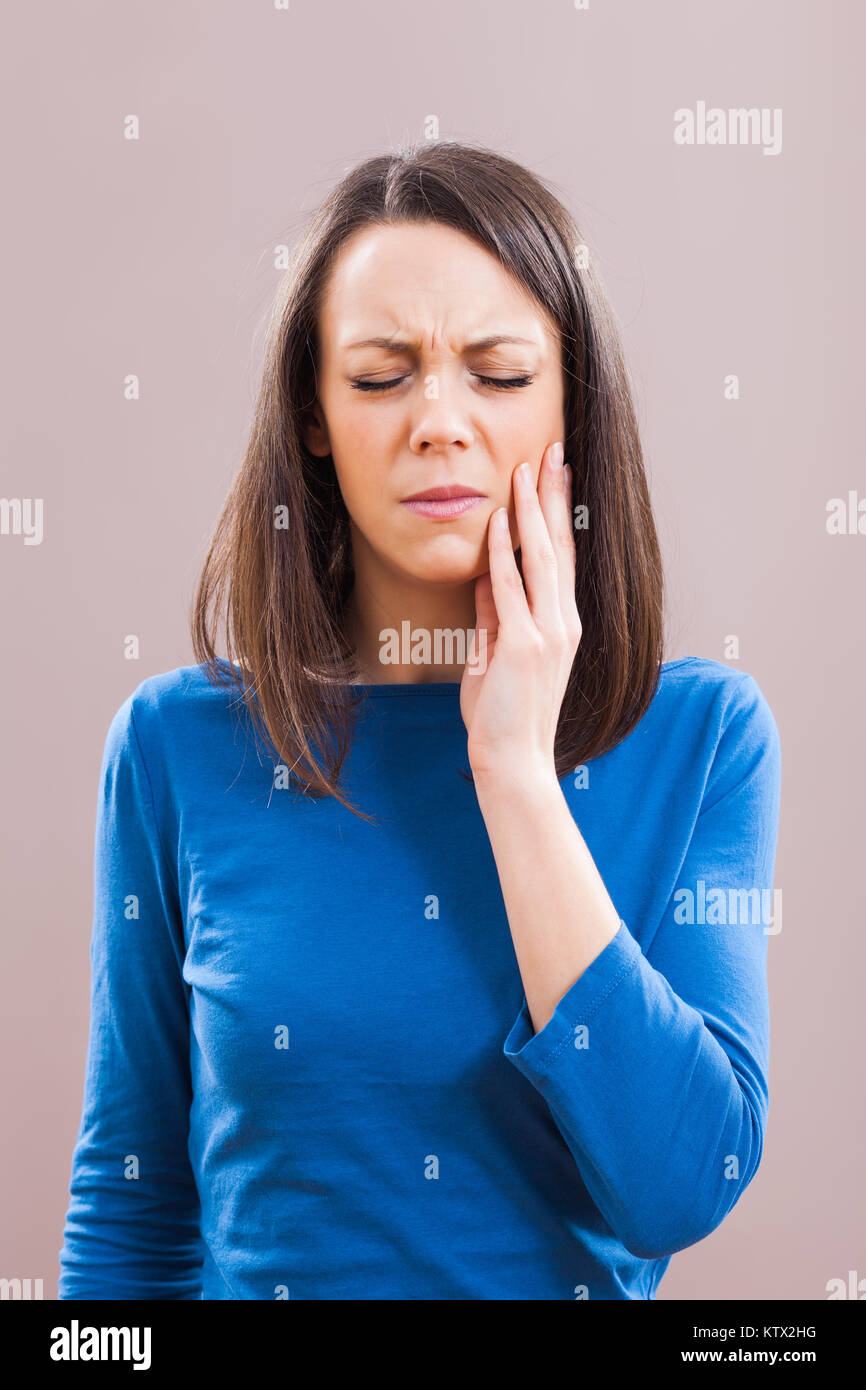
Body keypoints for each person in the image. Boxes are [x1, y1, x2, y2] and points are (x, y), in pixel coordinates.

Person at [58, 140, 781, 1300]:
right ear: (312, 418)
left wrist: (511, 767)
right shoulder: (173, 748)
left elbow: (681, 1184)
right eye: (381, 375)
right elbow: (132, 1206)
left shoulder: (699, 735)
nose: (438, 421)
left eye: (495, 374)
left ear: (569, 408)